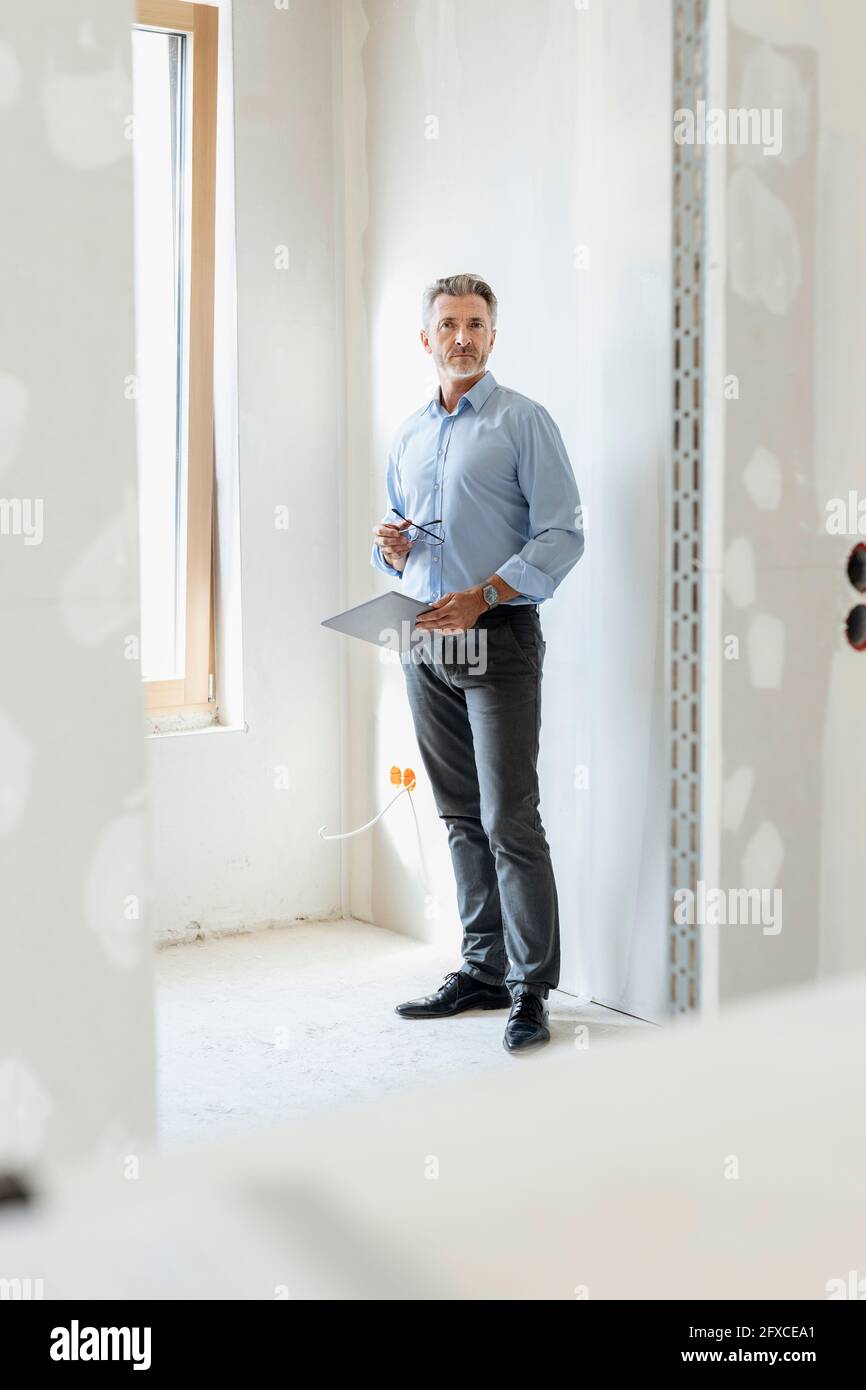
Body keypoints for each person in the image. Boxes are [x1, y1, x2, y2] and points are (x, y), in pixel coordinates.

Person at [371, 273, 585, 1052]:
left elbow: (563, 535)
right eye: (448, 324)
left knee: (509, 818)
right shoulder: (409, 433)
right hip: (424, 638)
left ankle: (532, 989)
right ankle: (483, 969)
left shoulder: (524, 422)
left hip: (497, 638)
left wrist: (486, 594)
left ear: (493, 336)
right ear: (426, 340)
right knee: (460, 815)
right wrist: (387, 545)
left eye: (475, 323)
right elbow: (397, 531)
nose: (461, 336)